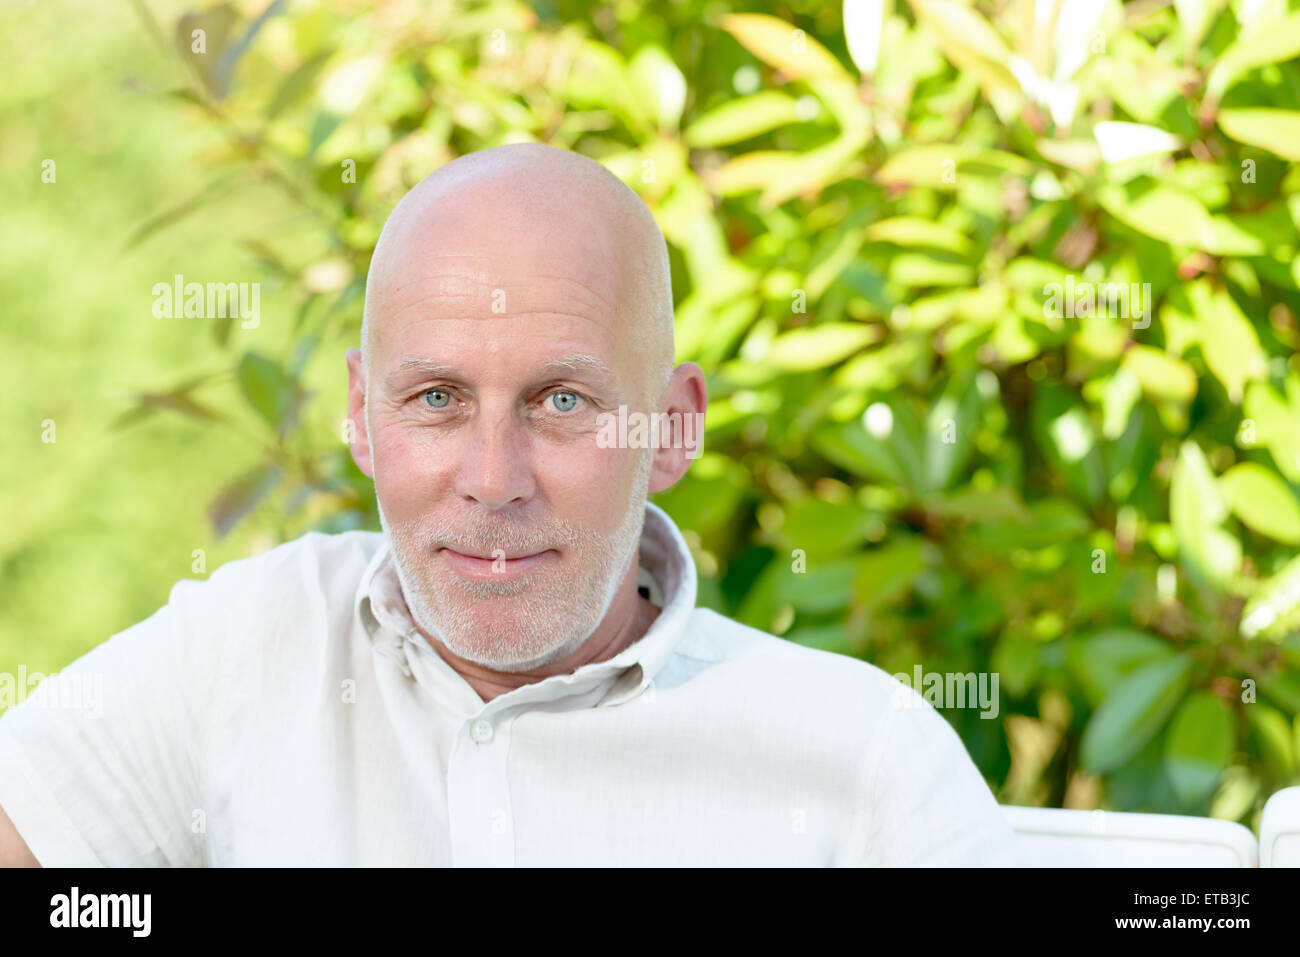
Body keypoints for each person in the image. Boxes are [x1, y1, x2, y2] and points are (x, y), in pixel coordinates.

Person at [0, 143, 1021, 866]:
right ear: (361, 415)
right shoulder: (247, 650)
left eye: (561, 401)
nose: (494, 477)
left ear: (672, 428)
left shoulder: (864, 759)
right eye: (436, 400)